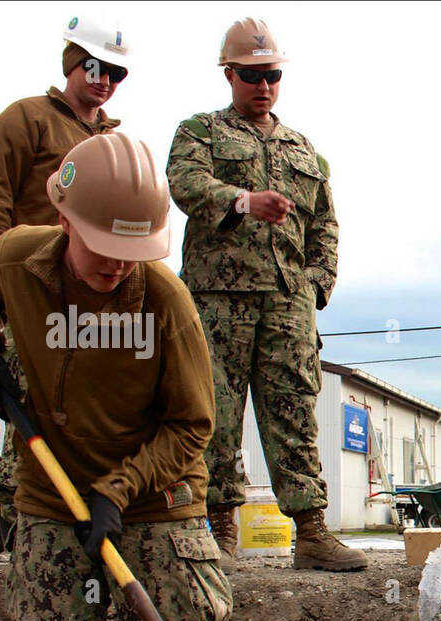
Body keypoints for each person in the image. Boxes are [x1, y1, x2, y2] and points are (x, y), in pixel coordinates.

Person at [0, 133, 232, 621]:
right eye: (103, 251)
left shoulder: (166, 304)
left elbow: (191, 427)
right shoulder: (18, 260)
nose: (117, 268)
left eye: (132, 255)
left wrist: (115, 491)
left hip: (151, 495)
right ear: (63, 223)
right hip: (50, 490)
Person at [167, 18, 365, 571]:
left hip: (287, 303)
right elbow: (184, 185)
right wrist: (241, 201)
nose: (263, 86)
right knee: (214, 413)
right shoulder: (200, 132)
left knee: (294, 411)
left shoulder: (305, 150)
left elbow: (325, 222)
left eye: (272, 75)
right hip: (216, 301)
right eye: (251, 75)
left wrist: (317, 284)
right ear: (229, 74)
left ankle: (312, 533)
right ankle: (220, 531)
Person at [0, 14, 130, 551]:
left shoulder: (112, 140)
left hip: (94, 295)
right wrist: (1, 281)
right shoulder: (26, 120)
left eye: (115, 73)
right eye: (94, 66)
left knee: (84, 403)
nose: (104, 79)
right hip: (32, 287)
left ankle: (79, 511)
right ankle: (19, 515)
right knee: (31, 397)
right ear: (71, 65)